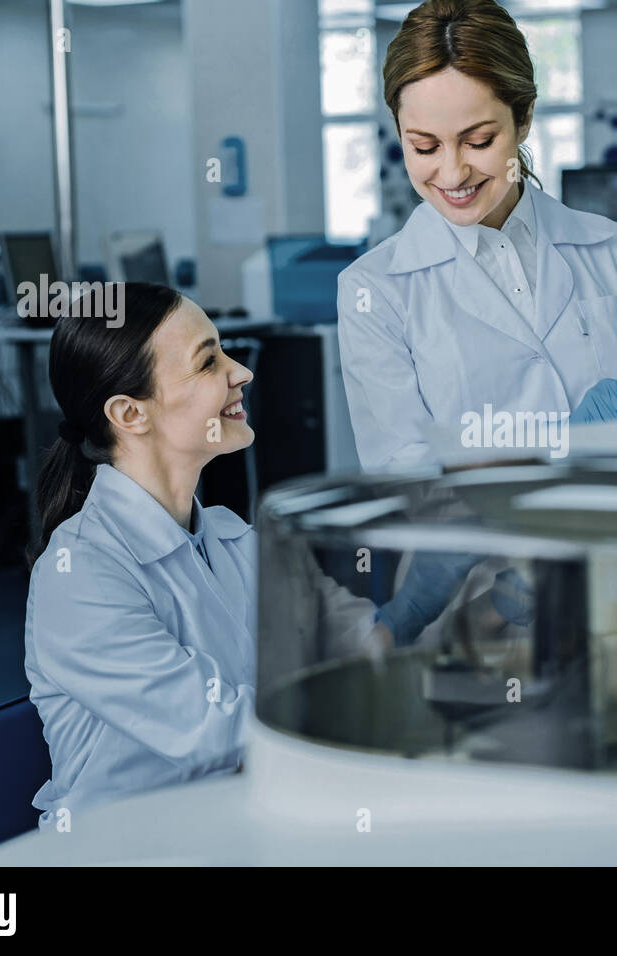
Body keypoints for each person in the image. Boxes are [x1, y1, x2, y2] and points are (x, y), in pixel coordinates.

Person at [337, 0, 617, 471]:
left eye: (479, 141)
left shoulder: (612, 248)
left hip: (616, 532)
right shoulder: (374, 288)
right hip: (475, 542)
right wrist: (559, 444)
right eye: (424, 146)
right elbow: (399, 468)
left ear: (524, 117)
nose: (452, 171)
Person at [24, 283, 391, 830]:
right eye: (208, 362)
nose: (240, 371)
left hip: (238, 826)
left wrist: (453, 623)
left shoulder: (230, 535)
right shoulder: (78, 576)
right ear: (129, 413)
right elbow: (214, 731)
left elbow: (353, 635)